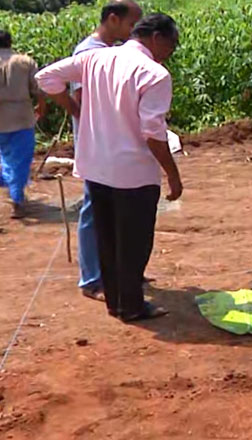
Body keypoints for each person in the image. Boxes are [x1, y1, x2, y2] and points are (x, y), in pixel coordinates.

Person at [36, 14, 183, 322]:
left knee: (107, 238)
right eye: (172, 44)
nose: (172, 50)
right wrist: (172, 174)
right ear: (157, 38)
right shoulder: (154, 73)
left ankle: (115, 303)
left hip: (97, 166)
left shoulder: (95, 58)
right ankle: (130, 306)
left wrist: (75, 109)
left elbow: (45, 78)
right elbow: (153, 133)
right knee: (134, 242)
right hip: (133, 173)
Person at [72, 0, 143, 302]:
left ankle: (114, 270)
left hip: (109, 142)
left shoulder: (111, 51)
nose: (133, 33)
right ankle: (92, 278)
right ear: (113, 19)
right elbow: (74, 95)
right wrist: (89, 123)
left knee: (114, 207)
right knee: (94, 208)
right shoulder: (88, 53)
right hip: (97, 144)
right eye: (131, 25)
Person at [0, 30, 46, 219]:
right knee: (20, 160)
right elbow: (39, 89)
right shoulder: (25, 62)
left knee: (6, 158)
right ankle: (17, 199)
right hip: (21, 116)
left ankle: (12, 189)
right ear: (10, 42)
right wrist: (41, 108)